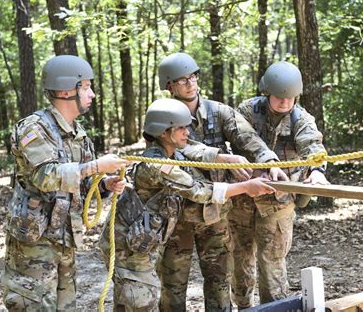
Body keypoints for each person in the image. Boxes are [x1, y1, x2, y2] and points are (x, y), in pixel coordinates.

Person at [98, 99, 275, 311]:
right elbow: (198, 191)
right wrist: (247, 187)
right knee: (138, 300)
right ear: (163, 133)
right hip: (127, 245)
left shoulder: (171, 151)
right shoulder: (158, 164)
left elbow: (195, 151)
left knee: (141, 297)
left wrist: (228, 159)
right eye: (181, 128)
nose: (187, 132)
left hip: (141, 239)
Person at [156, 52, 286, 311]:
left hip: (214, 214)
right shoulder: (162, 115)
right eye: (182, 80)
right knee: (173, 284)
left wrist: (268, 160)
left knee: (218, 282)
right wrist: (224, 159)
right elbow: (182, 151)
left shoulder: (219, 111)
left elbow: (247, 137)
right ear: (169, 86)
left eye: (193, 76)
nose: (191, 83)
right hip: (176, 215)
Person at [1, 55, 129, 311]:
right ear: (66, 90)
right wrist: (95, 166)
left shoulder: (78, 134)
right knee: (33, 305)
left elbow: (83, 182)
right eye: (87, 87)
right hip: (34, 243)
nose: (92, 94)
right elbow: (45, 176)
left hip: (65, 237)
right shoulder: (33, 128)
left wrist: (105, 184)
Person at [228, 61, 330, 309]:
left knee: (272, 267)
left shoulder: (301, 118)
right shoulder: (248, 111)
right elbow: (236, 137)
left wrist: (317, 170)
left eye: (290, 98)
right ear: (267, 92)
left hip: (277, 204)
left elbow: (313, 146)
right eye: (279, 97)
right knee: (239, 265)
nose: (285, 103)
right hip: (242, 199)